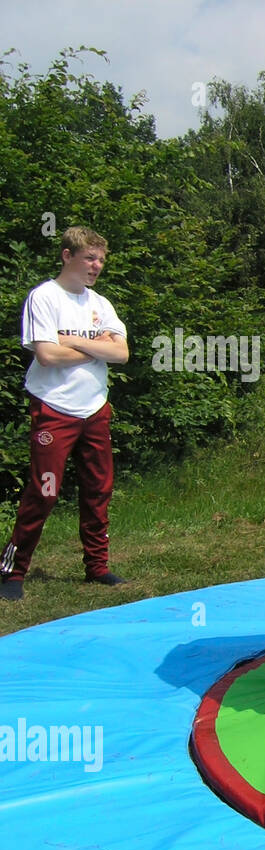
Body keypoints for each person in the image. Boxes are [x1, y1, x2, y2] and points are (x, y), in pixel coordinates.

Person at [1, 227, 131, 602]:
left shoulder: (100, 304)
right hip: (53, 407)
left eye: (101, 260)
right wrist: (96, 347)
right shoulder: (44, 297)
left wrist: (70, 340)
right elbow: (47, 356)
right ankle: (12, 571)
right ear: (67, 256)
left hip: (95, 408)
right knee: (45, 491)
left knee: (99, 488)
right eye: (90, 258)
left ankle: (97, 567)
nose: (97, 266)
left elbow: (121, 353)